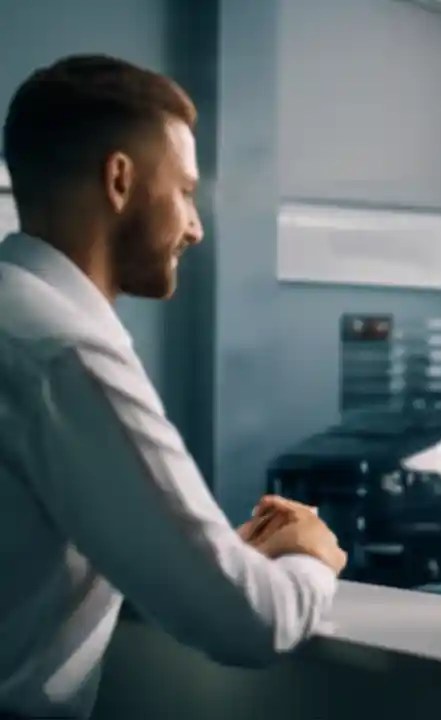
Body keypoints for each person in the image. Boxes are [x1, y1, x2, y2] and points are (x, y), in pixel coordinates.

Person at [0, 55, 345, 719]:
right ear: (120, 180)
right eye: (185, 191)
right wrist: (310, 560)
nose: (195, 226)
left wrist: (206, 556)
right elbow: (249, 624)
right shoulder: (64, 354)